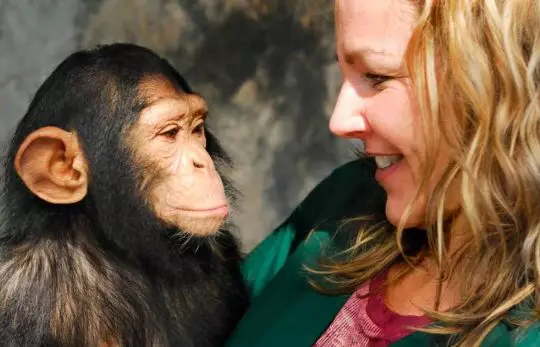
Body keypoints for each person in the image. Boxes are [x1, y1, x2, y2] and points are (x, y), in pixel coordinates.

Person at [225, 0, 540, 346]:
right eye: (345, 74)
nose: (339, 121)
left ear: (499, 79)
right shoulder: (347, 200)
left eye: (377, 77)